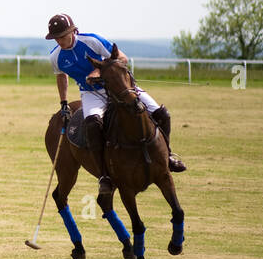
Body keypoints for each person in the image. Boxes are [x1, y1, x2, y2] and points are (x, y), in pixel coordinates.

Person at [46, 12, 186, 197]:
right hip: (91, 94)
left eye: (62, 36)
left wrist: (98, 71)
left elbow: (122, 58)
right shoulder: (55, 57)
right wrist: (64, 102)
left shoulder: (92, 41)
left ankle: (167, 157)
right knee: (92, 124)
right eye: (56, 38)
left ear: (73, 31)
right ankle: (104, 176)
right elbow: (61, 76)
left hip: (119, 87)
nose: (60, 41)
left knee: (162, 113)